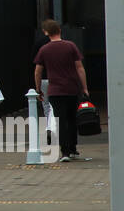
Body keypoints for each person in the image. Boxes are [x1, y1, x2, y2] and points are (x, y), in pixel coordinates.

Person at [34, 19, 89, 162]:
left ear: (46, 32)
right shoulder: (71, 46)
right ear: (59, 30)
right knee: (72, 119)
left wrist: (38, 89)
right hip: (72, 89)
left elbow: (38, 71)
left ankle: (65, 152)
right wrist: (84, 87)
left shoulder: (44, 49)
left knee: (61, 120)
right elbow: (79, 68)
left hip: (55, 91)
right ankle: (73, 148)